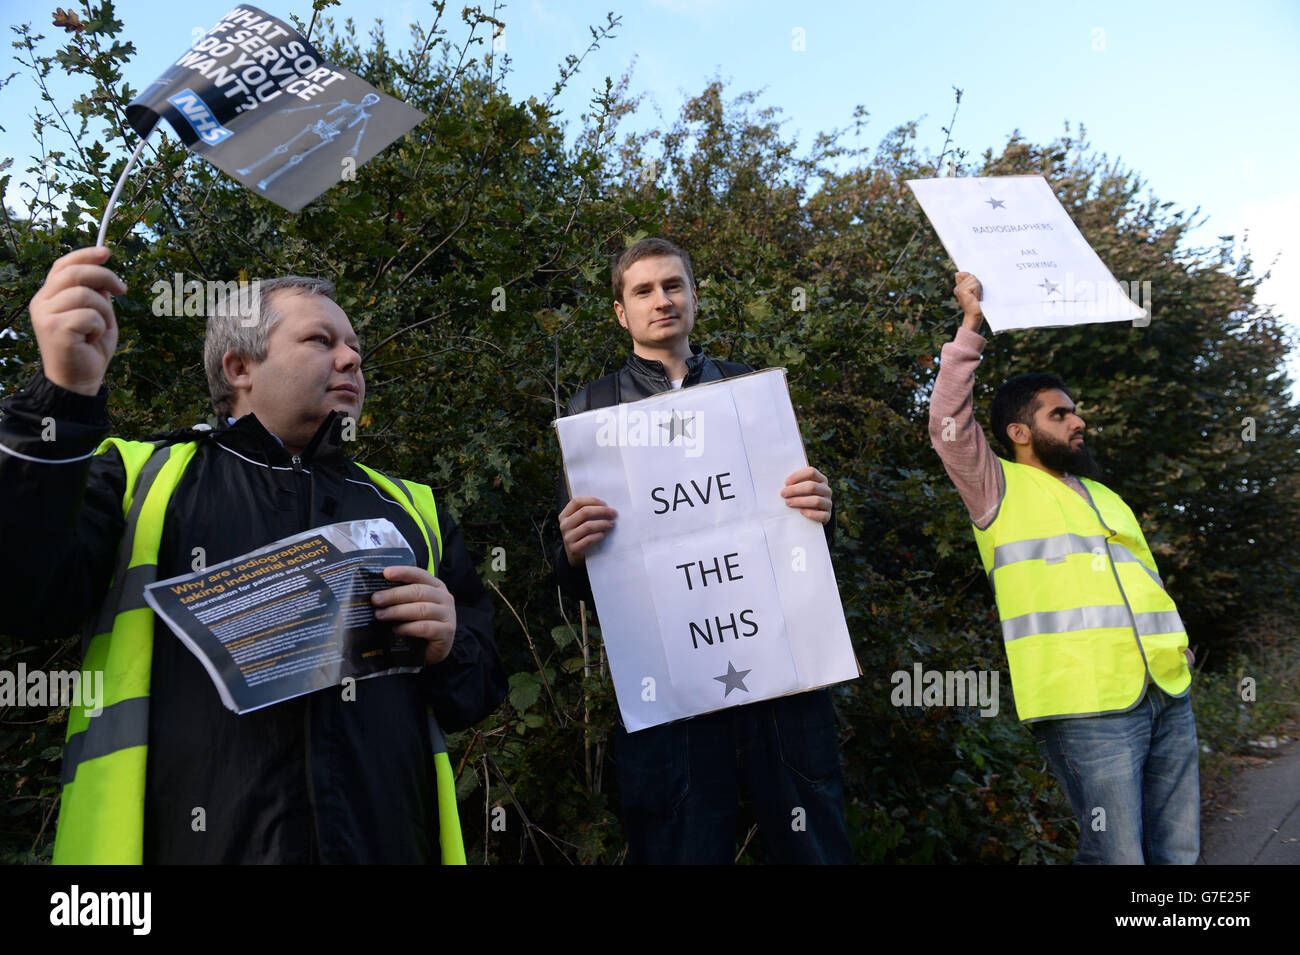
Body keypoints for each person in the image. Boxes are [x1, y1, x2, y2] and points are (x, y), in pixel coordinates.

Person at [0, 246, 507, 864]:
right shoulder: (139, 478)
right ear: (240, 367)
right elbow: (23, 594)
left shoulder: (411, 506)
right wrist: (64, 397)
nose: (351, 359)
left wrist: (451, 646)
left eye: (355, 347)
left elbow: (477, 693)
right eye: (321, 340)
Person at [552, 236, 853, 864]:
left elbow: (801, 547)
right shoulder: (593, 413)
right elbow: (578, 585)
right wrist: (571, 552)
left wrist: (821, 512)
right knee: (679, 849)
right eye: (643, 290)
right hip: (670, 693)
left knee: (814, 846)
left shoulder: (754, 393)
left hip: (781, 678)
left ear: (693, 295)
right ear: (620, 312)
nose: (662, 300)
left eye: (673, 285)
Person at [928, 271, 1199, 864]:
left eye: (1075, 412)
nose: (1078, 421)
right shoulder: (996, 486)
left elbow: (1150, 589)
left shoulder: (1107, 497)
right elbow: (949, 429)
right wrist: (971, 326)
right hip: (1086, 707)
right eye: (1061, 414)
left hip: (1167, 693)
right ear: (1019, 432)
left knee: (1177, 855)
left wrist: (1180, 649)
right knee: (1117, 858)